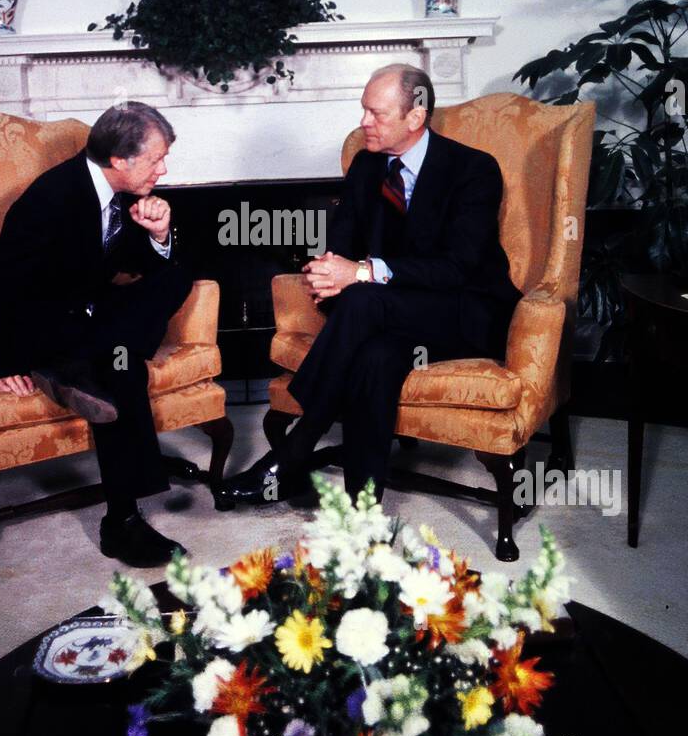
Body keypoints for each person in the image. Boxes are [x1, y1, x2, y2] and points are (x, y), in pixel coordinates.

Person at [218, 63, 521, 510]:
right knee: (374, 358)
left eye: (376, 114)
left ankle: (296, 450)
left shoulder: (472, 169)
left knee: (362, 300)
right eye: (364, 111)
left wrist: (359, 274)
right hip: (390, 318)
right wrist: (326, 273)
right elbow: (342, 245)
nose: (363, 123)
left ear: (415, 117)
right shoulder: (366, 166)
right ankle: (362, 514)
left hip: (464, 313)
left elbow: (457, 268)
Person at [0, 102, 193, 568]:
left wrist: (159, 232)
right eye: (156, 159)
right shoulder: (51, 197)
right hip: (42, 323)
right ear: (120, 159)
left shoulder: (127, 193)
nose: (164, 169)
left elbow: (142, 268)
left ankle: (76, 369)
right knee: (121, 370)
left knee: (174, 276)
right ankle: (123, 522)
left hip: (92, 318)